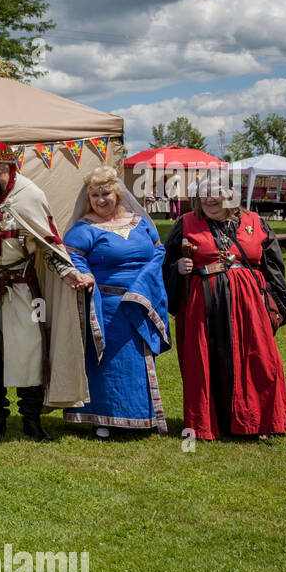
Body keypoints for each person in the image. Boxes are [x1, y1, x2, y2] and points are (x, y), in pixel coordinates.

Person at [0, 143, 93, 441]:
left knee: (30, 350)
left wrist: (68, 273)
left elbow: (48, 240)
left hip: (21, 287)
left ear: (12, 169)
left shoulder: (29, 195)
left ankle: (31, 419)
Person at [162, 183, 286, 440]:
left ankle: (256, 421)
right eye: (204, 193)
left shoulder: (255, 222)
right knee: (204, 361)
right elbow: (166, 261)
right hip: (203, 304)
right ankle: (208, 423)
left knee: (257, 360)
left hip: (249, 306)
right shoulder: (186, 223)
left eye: (217, 192)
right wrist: (177, 266)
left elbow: (273, 266)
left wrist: (277, 306)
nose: (210, 198)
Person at [63, 167, 171, 439]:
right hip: (106, 307)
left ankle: (140, 416)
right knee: (108, 363)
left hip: (140, 302)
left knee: (137, 363)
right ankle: (104, 418)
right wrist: (84, 274)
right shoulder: (84, 228)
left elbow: (158, 252)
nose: (101, 199)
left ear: (118, 193)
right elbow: (73, 256)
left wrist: (142, 287)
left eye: (106, 193)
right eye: (95, 195)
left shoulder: (140, 221)